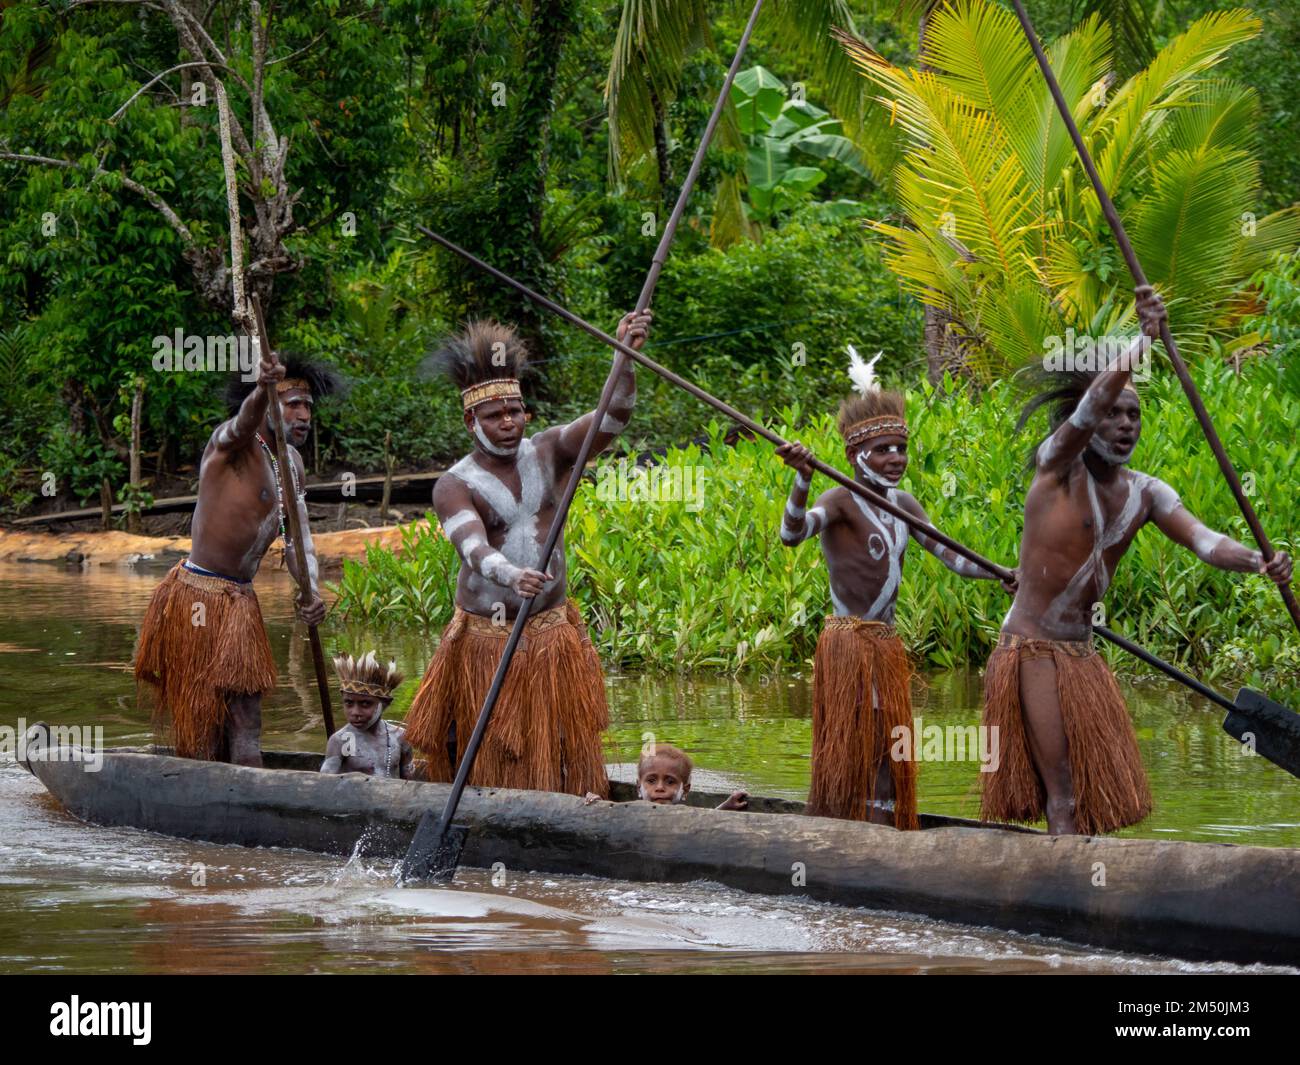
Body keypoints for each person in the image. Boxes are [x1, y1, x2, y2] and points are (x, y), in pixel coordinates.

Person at [983, 285, 1292, 835]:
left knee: (1101, 805)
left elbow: (1204, 540)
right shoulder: (1056, 467)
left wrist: (1257, 562)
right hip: (1030, 651)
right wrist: (1142, 342)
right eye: (1115, 414)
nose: (1126, 424)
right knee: (1066, 799)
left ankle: (1089, 887)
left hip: (1082, 657)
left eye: (1135, 415)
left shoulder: (1147, 493)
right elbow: (1087, 407)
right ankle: (1063, 905)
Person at [403, 312, 652, 797]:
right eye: (495, 416)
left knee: (563, 742)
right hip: (486, 639)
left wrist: (625, 357)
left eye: (516, 411)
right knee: (495, 749)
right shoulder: (454, 484)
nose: (510, 423)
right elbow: (472, 546)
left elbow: (612, 419)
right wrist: (510, 574)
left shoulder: (551, 451)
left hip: (551, 632)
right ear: (470, 421)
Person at [776, 349, 1015, 828]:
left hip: (886, 646)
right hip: (849, 643)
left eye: (900, 449)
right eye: (883, 450)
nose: (895, 459)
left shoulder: (905, 503)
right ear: (853, 456)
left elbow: (955, 559)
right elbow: (793, 534)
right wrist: (802, 480)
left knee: (891, 744)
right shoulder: (838, 498)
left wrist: (1006, 573)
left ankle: (884, 827)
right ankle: (848, 823)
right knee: (858, 740)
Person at [134, 350, 336, 765]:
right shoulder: (230, 445)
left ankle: (254, 797)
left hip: (241, 602)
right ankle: (197, 801)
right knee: (203, 721)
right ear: (267, 401)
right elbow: (245, 420)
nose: (303, 415)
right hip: (197, 596)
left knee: (247, 719)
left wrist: (310, 593)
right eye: (292, 403)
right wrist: (262, 388)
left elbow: (298, 540)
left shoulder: (293, 465)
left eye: (308, 407)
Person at [320, 651, 413, 778]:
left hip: (394, 797)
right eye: (349, 703)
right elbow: (325, 783)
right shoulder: (341, 740)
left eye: (365, 704)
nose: (355, 712)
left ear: (385, 704)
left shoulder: (400, 737)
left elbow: (409, 781)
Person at [632, 743, 748, 810]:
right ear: (638, 787)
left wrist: (726, 807)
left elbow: (706, 822)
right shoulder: (632, 813)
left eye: (670, 782)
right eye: (651, 781)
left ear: (685, 790)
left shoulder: (683, 817)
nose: (660, 788)